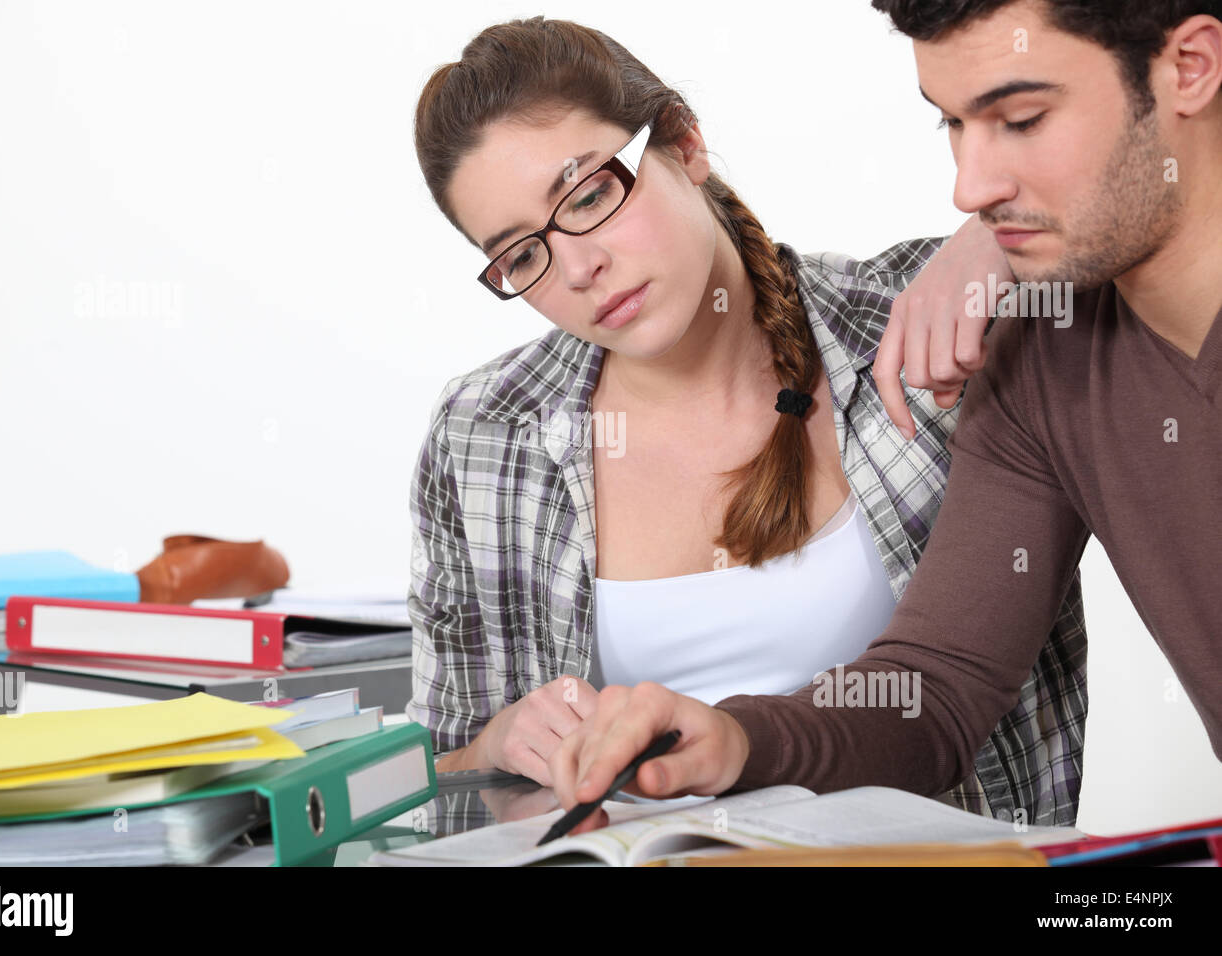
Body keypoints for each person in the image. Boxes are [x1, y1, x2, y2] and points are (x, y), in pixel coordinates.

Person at [548, 0, 1222, 831]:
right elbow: (939, 687)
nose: (969, 188)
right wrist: (738, 739)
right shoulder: (1045, 349)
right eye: (952, 123)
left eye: (1020, 118)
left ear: (1190, 67)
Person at [407, 15, 1088, 827]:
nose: (580, 268)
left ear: (684, 144)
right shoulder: (484, 435)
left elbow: (1146, 189)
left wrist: (1003, 239)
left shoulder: (918, 326)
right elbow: (424, 788)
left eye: (589, 194)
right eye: (523, 254)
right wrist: (491, 749)